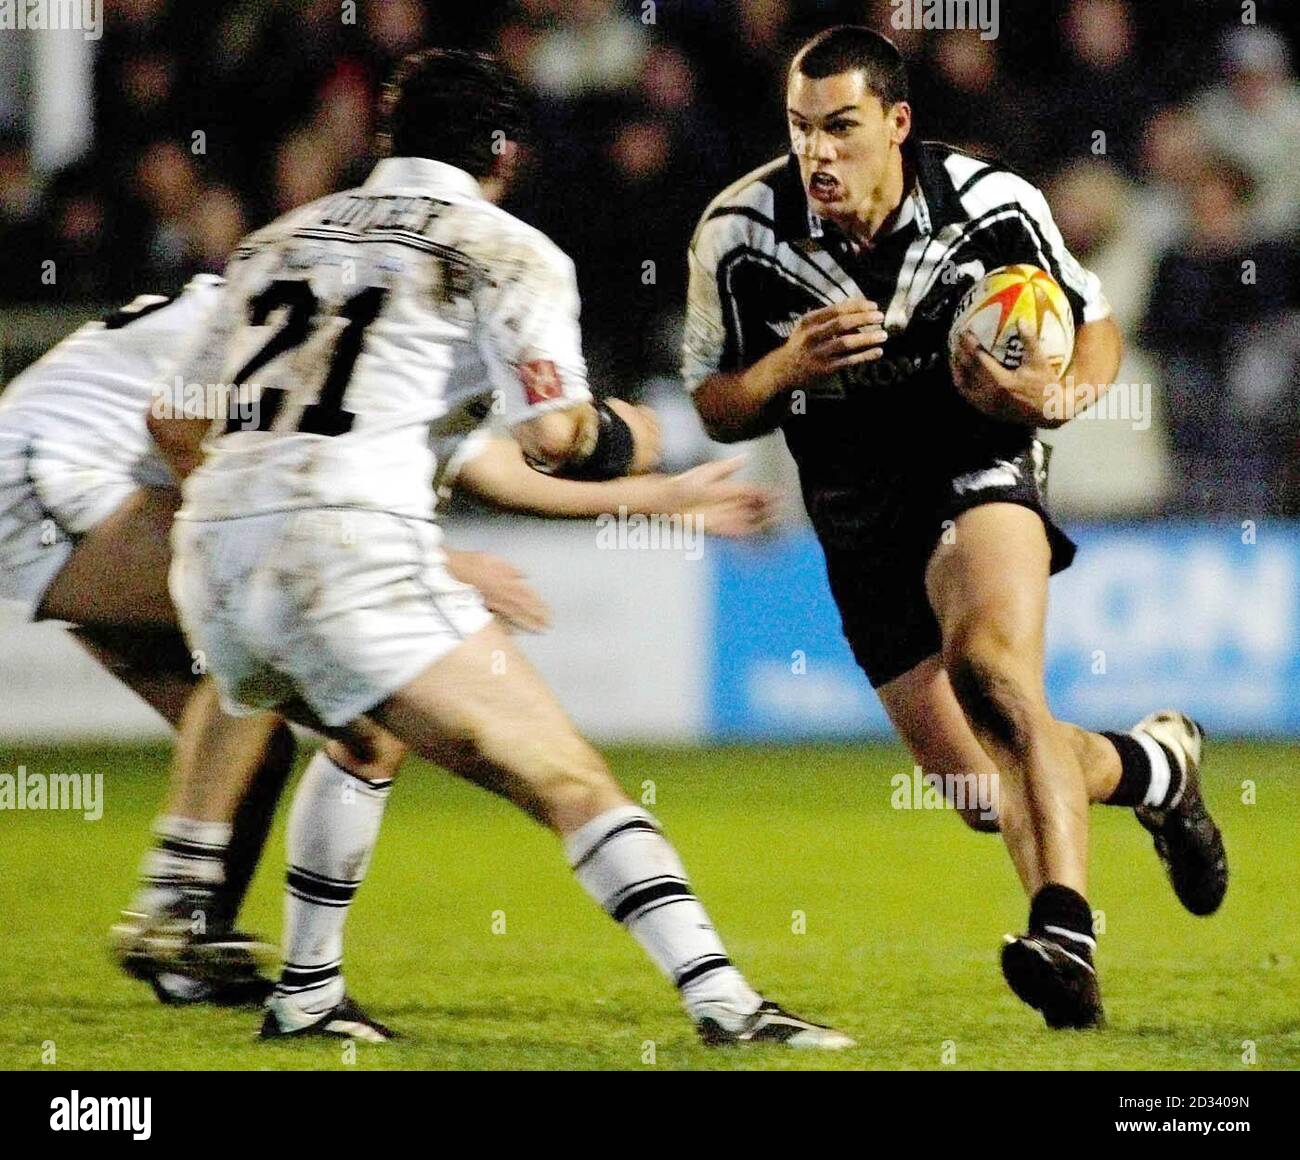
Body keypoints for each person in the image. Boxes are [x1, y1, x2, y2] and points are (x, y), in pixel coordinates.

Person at [151, 47, 849, 1048]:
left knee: (362, 736)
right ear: (505, 154)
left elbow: (176, 422)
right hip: (345, 555)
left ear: (385, 141)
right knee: (570, 779)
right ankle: (727, 1005)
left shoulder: (277, 238)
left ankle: (303, 991)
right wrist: (637, 436)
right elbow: (555, 438)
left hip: (210, 559)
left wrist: (266, 506)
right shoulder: (500, 247)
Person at [681, 25, 1227, 1028]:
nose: (818, 154)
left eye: (841, 127)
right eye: (800, 130)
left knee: (993, 671)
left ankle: (1063, 933)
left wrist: (1063, 392)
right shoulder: (737, 233)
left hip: (978, 458)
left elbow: (1093, 317)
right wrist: (782, 371)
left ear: (896, 122)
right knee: (985, 790)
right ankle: (1155, 765)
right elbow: (716, 400)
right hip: (855, 513)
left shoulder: (989, 206)